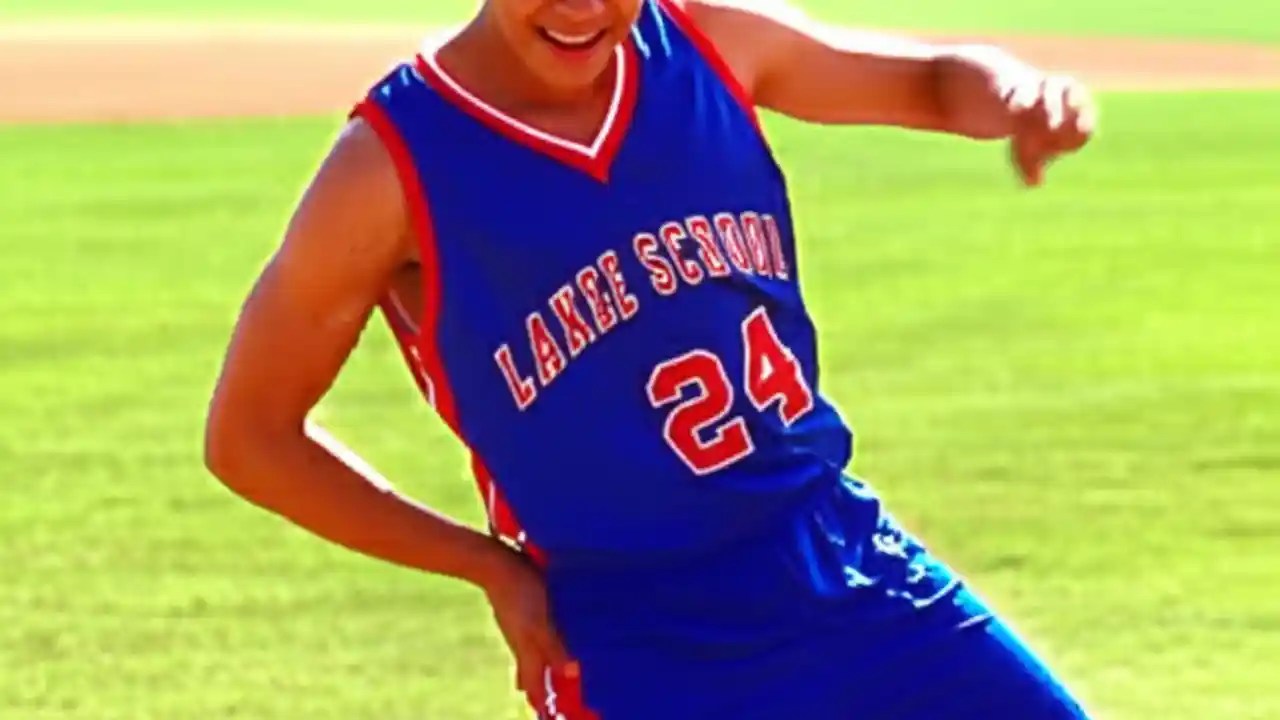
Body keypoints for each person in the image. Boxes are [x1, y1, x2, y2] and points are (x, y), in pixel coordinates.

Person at [204, 0, 1096, 718]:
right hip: (637, 633)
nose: (584, 9)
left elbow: (936, 84)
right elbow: (250, 436)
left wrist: (1017, 96)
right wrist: (485, 564)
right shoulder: (392, 167)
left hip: (840, 558)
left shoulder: (709, 45)